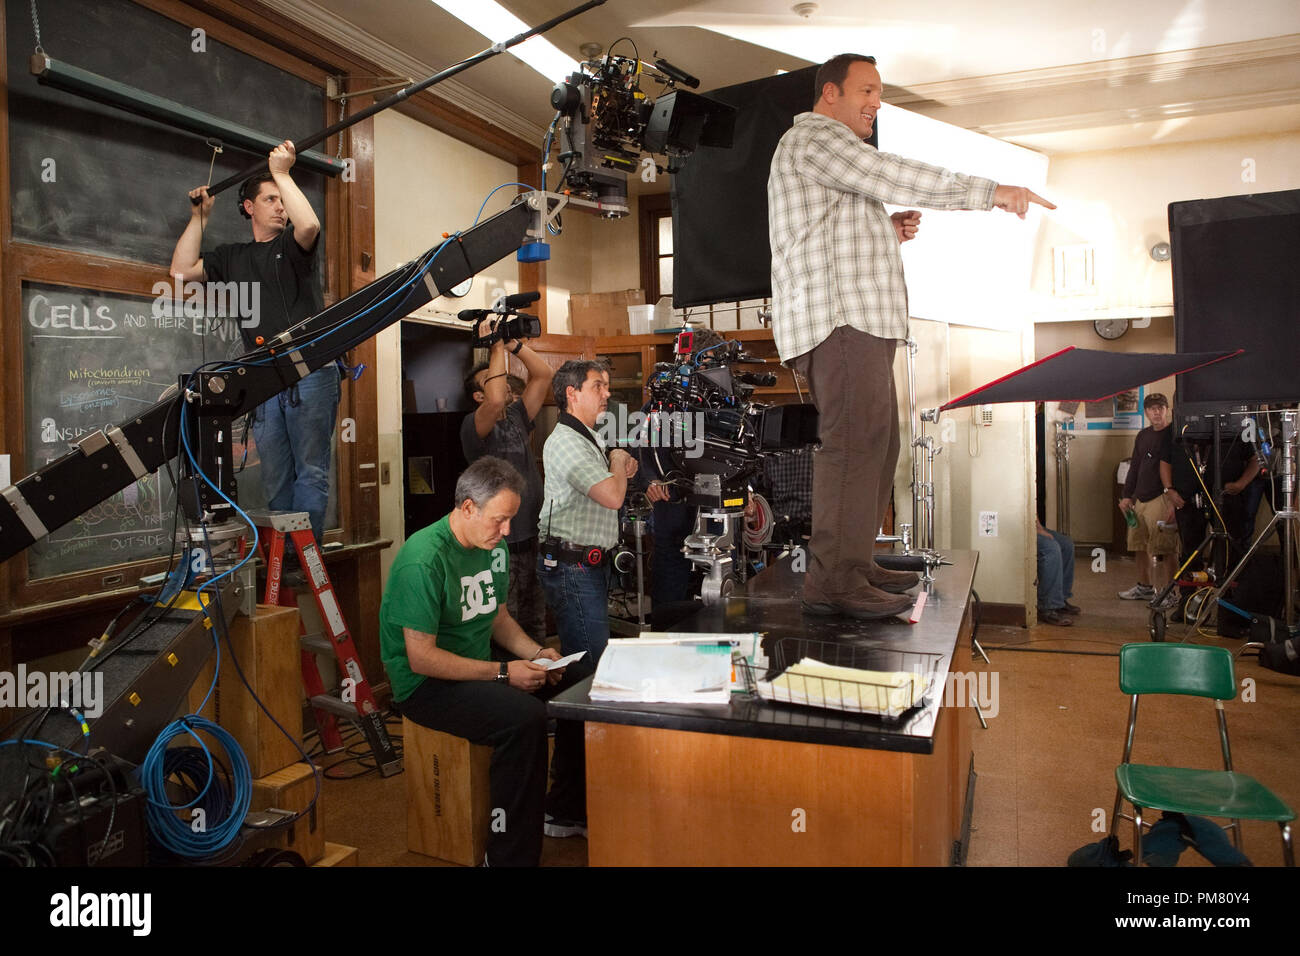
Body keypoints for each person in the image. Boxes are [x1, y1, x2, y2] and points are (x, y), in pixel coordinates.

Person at [768, 53, 1054, 621]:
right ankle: (832, 583)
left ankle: (854, 565)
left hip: (857, 322)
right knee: (853, 447)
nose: (876, 102)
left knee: (881, 446)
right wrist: (991, 191)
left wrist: (884, 230)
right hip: (842, 323)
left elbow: (830, 233)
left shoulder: (829, 154)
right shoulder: (815, 139)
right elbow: (889, 173)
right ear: (830, 94)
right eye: (866, 91)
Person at [379, 456, 591, 866]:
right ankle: (508, 855)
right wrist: (503, 673)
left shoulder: (491, 548)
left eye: (511, 519)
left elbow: (496, 617)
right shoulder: (423, 559)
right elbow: (421, 659)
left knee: (582, 684)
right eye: (500, 519)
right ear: (468, 508)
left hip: (477, 667)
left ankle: (563, 811)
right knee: (524, 719)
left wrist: (536, 654)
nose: (507, 530)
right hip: (426, 685)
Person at [170, 140, 339, 546]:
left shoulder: (293, 247)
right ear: (249, 207)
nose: (280, 206)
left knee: (310, 471)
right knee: (276, 474)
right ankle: (284, 553)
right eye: (270, 199)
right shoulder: (233, 256)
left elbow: (310, 226)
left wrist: (282, 173)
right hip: (266, 376)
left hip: (311, 368)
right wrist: (200, 218)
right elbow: (180, 272)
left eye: (283, 200)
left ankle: (303, 557)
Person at [537, 360, 637, 664]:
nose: (606, 393)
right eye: (598, 386)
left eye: (607, 386)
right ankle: (577, 713)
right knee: (590, 662)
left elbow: (612, 484)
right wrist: (618, 459)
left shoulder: (590, 437)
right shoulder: (566, 441)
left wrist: (617, 466)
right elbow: (612, 496)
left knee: (591, 654)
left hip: (589, 565)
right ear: (572, 393)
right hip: (573, 567)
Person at [461, 327, 555, 645]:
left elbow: (543, 374)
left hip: (533, 539)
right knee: (507, 623)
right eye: (492, 379)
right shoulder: (474, 426)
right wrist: (495, 346)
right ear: (479, 395)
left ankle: (540, 682)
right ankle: (509, 683)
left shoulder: (516, 418)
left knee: (536, 622)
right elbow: (497, 397)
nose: (503, 386)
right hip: (501, 546)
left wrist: (514, 344)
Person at [1117, 393, 1181, 608]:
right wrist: (1127, 496)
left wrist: (1172, 500)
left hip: (1161, 497)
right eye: (1151, 408)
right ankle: (1144, 587)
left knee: (1165, 548)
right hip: (1140, 498)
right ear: (1145, 412)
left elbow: (1178, 470)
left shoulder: (1173, 435)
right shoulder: (1143, 435)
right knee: (1139, 544)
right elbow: (1135, 466)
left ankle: (1170, 592)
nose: (1156, 412)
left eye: (1160, 408)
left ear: (1166, 409)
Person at [1036, 519, 1080, 626]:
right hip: (1017, 527)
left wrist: (1039, 527)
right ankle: (1047, 605)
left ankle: (1059, 599)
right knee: (1051, 548)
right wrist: (1038, 529)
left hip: (1031, 525)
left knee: (1066, 544)